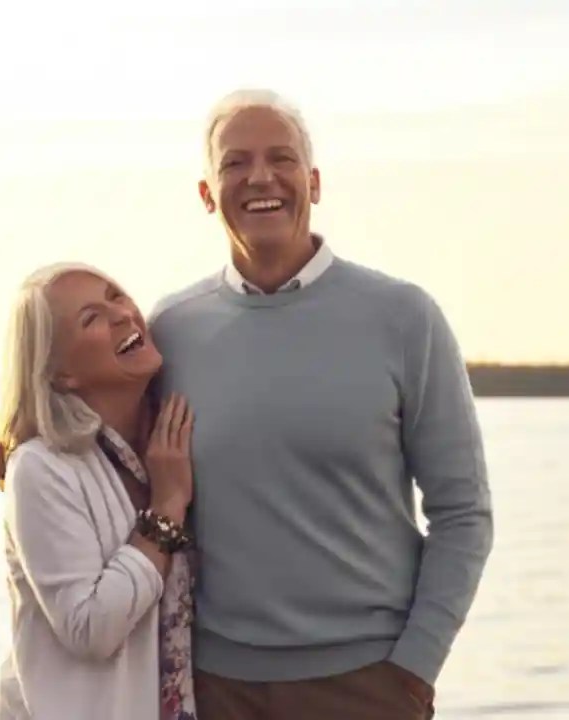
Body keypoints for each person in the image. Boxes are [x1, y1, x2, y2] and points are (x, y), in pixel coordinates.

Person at [149, 89, 494, 720]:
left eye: (281, 158)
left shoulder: (403, 317)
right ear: (206, 194)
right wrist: (21, 441)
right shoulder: (171, 330)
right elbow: (107, 444)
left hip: (368, 683)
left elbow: (463, 512)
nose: (260, 177)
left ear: (312, 181)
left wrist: (413, 669)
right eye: (234, 163)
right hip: (218, 685)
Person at [0, 263, 199, 720]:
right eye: (91, 318)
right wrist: (165, 508)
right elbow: (89, 629)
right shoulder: (40, 469)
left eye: (117, 296)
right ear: (61, 374)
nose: (122, 314)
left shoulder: (167, 440)